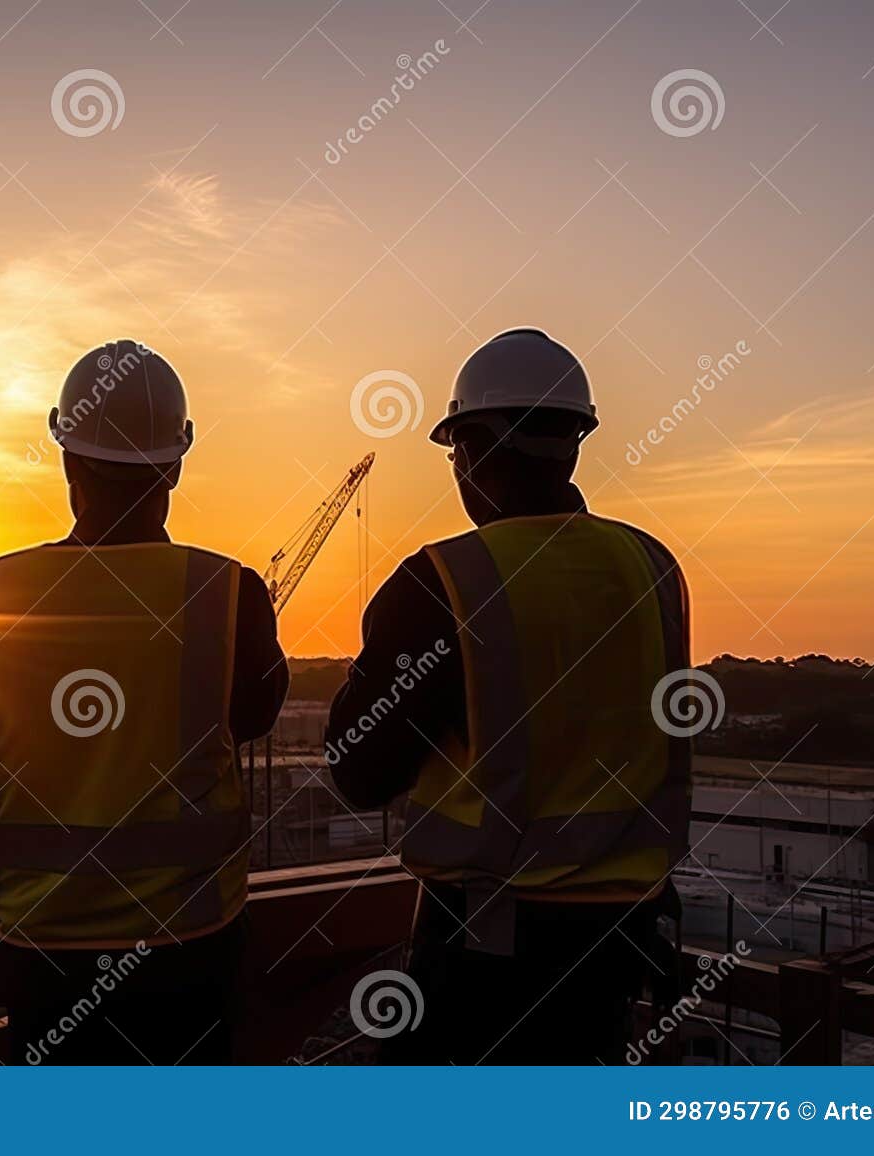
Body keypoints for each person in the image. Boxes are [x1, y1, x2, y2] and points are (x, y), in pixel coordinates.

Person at [325, 328, 691, 1064]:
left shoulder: (446, 583)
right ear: (573, 443)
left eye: (456, 451)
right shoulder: (651, 567)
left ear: (483, 448)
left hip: (485, 963)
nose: (457, 471)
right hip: (615, 959)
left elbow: (357, 771)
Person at [0, 339, 288, 1065]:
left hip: (39, 948)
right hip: (187, 947)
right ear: (175, 465)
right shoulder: (227, 595)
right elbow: (252, 721)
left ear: (69, 460)